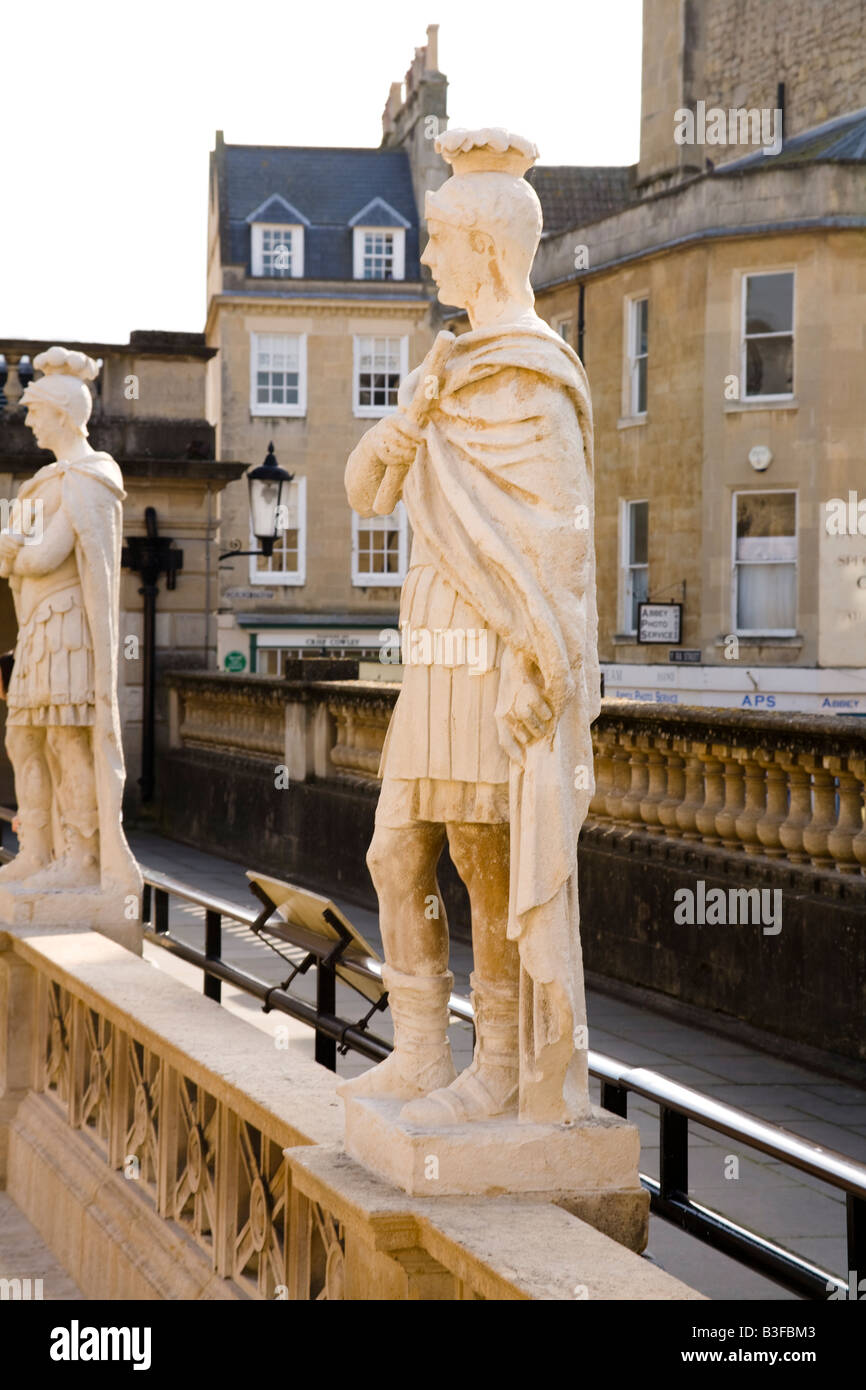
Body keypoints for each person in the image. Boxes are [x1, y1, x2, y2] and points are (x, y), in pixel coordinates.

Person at [342, 129, 599, 1126]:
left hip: (494, 649)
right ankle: (417, 1051)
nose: (425, 257)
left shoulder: (532, 374)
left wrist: (542, 658)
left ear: (483, 247)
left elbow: (559, 540)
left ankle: (495, 1068)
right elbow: (366, 492)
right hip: (435, 639)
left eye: (438, 238)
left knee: (483, 855)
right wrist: (410, 419)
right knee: (395, 851)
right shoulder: (445, 368)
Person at [0, 346, 139, 899]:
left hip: (69, 632)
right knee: (22, 739)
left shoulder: (91, 478)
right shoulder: (43, 482)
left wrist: (12, 546)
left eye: (34, 411)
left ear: (60, 412)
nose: (27, 419)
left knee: (64, 740)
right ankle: (36, 849)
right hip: (38, 633)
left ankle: (82, 857)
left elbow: (39, 556)